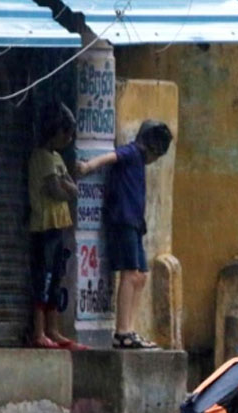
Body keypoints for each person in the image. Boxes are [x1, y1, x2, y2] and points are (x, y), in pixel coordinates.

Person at [77, 120, 173, 349]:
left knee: (141, 276)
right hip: (123, 220)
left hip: (135, 223)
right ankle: (122, 332)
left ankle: (130, 328)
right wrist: (88, 167)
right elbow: (111, 157)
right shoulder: (132, 152)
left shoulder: (139, 159)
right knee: (130, 275)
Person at [27, 103, 88, 350]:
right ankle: (39, 331)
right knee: (43, 278)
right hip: (43, 227)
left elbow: (71, 188)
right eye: (66, 133)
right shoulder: (40, 157)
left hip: (58, 226)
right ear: (55, 131)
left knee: (56, 279)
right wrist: (65, 187)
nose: (69, 139)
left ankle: (53, 329)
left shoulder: (57, 158)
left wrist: (66, 187)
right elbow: (57, 190)